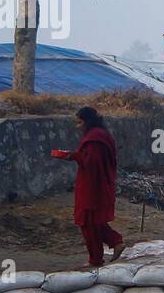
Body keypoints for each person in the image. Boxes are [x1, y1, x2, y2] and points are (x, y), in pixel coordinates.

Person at [51, 106, 123, 267]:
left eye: (79, 122)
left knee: (87, 220)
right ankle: (114, 242)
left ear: (87, 121)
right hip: (96, 183)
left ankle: (98, 257)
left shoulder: (95, 138)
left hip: (94, 185)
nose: (78, 127)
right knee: (92, 221)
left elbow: (92, 162)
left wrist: (73, 156)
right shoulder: (100, 135)